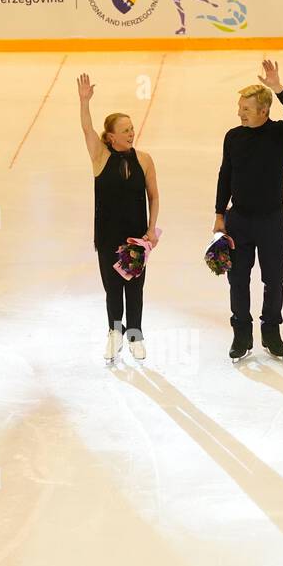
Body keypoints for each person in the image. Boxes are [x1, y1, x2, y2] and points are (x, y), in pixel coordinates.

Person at [214, 59, 283, 362]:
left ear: (264, 111)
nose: (240, 113)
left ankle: (271, 330)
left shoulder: (280, 134)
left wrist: (278, 87)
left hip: (271, 220)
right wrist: (219, 214)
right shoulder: (233, 136)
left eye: (246, 109)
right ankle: (241, 332)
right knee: (237, 279)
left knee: (273, 278)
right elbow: (225, 174)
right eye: (240, 108)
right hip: (239, 220)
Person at [76, 73, 161, 366]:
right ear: (111, 136)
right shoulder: (100, 157)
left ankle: (135, 334)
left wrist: (151, 229)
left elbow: (154, 196)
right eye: (125, 130)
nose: (131, 133)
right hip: (108, 236)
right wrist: (84, 102)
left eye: (132, 129)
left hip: (136, 237)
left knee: (135, 289)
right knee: (113, 289)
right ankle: (114, 332)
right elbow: (86, 129)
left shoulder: (145, 159)